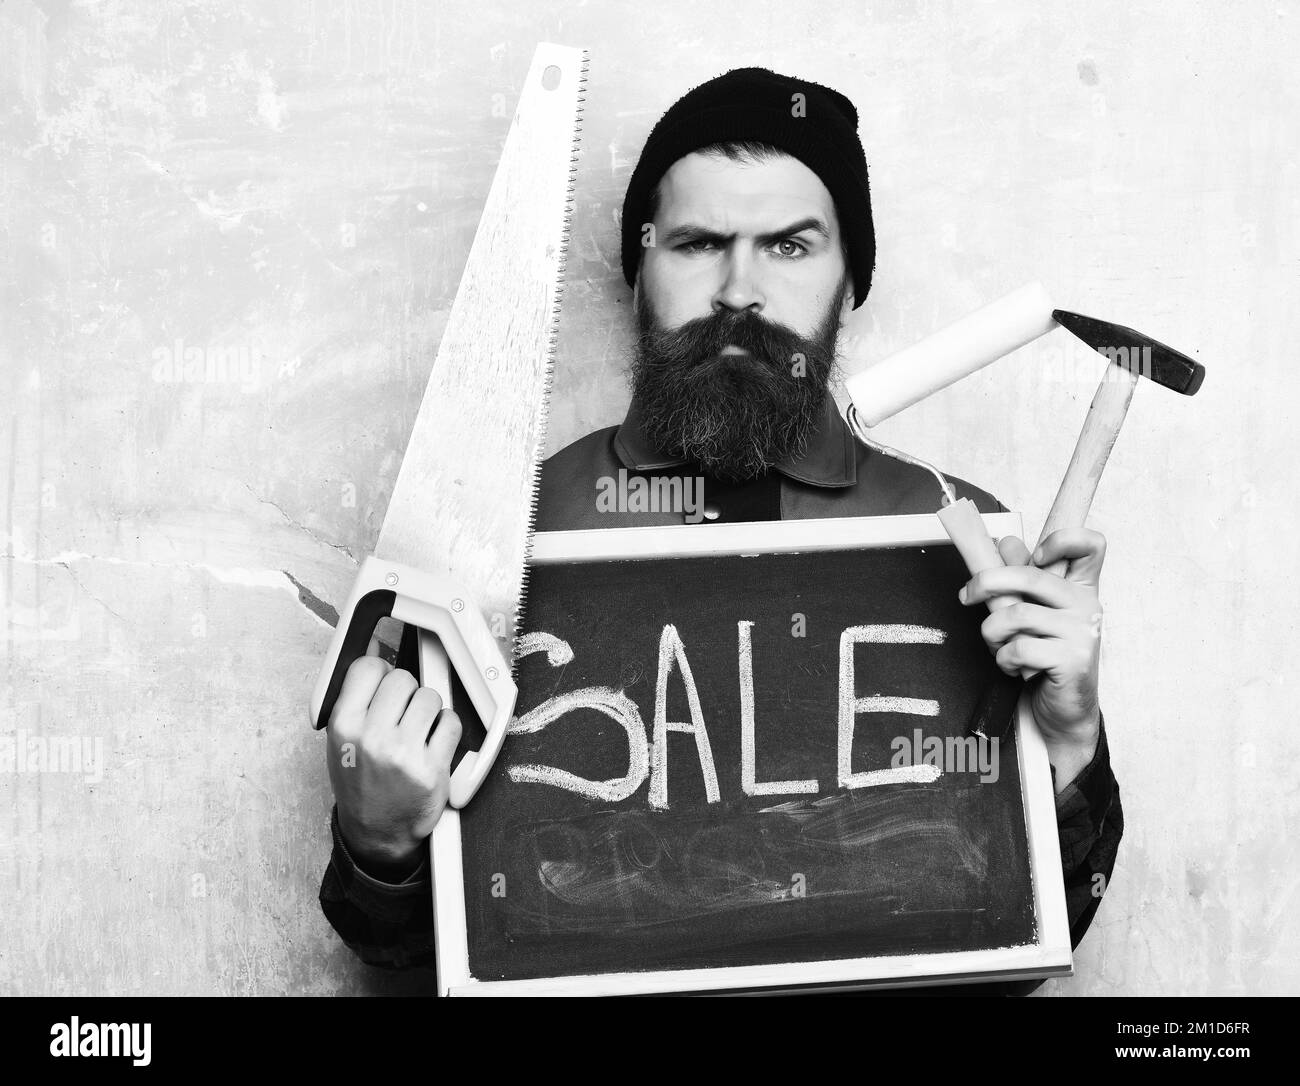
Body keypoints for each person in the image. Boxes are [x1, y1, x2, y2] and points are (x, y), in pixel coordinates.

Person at [318, 67, 1122, 988]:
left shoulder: (963, 542)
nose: (740, 289)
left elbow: (1033, 929)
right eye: (700, 242)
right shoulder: (494, 541)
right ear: (639, 273)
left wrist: (1068, 745)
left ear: (848, 278)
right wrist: (379, 840)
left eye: (789, 246)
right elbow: (408, 955)